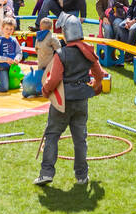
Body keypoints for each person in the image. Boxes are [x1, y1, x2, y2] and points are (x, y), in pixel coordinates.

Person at [34, 15, 106, 186]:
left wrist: (46, 90)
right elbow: (100, 74)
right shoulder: (88, 51)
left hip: (63, 101)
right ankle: (81, 176)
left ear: (66, 33)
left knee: (52, 135)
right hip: (81, 99)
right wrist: (96, 86)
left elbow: (55, 78)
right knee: (80, 138)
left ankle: (46, 173)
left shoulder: (62, 54)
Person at [0, 17, 22, 92]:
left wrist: (17, 58)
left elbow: (19, 52)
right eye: (7, 29)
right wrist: (6, 59)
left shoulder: (14, 40)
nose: (9, 31)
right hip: (2, 68)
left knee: (19, 83)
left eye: (11, 29)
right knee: (4, 88)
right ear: (2, 28)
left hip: (13, 68)